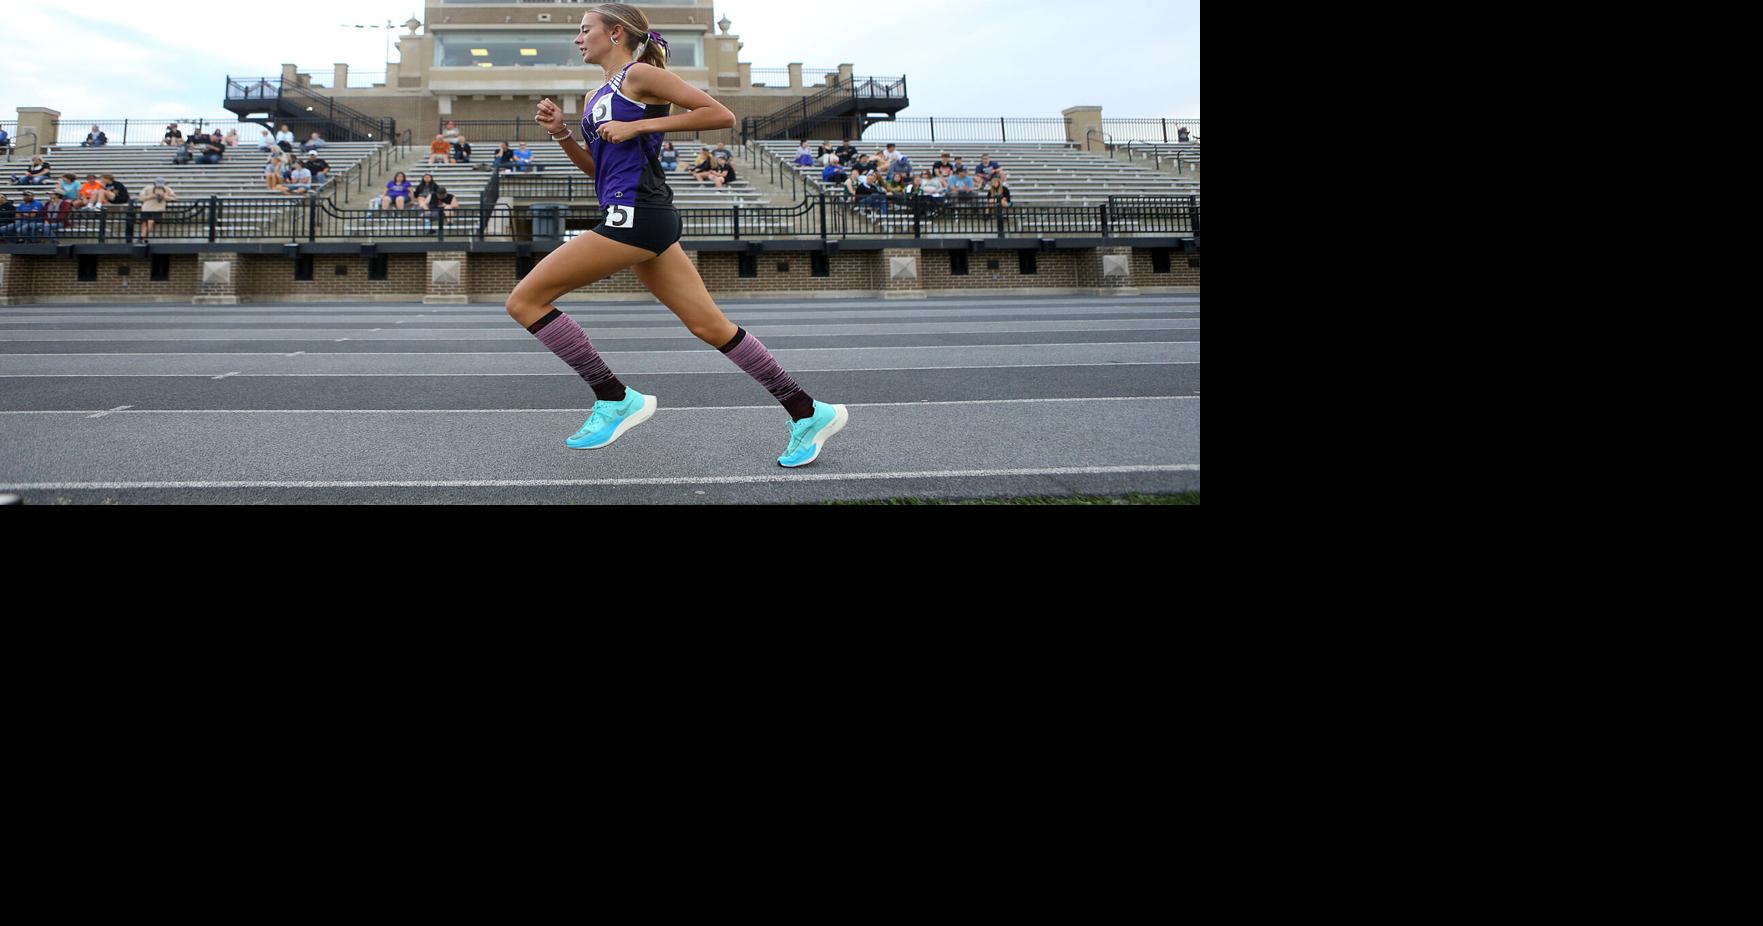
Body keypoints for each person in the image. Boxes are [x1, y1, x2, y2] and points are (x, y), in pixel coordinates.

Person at [517, 3, 847, 466]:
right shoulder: (595, 96)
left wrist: (641, 124)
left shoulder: (640, 76)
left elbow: (720, 115)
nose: (578, 38)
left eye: (584, 29)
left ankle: (614, 397)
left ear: (615, 34)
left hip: (638, 216)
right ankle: (807, 410)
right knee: (710, 326)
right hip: (636, 214)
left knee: (524, 301)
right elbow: (599, 171)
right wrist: (561, 135)